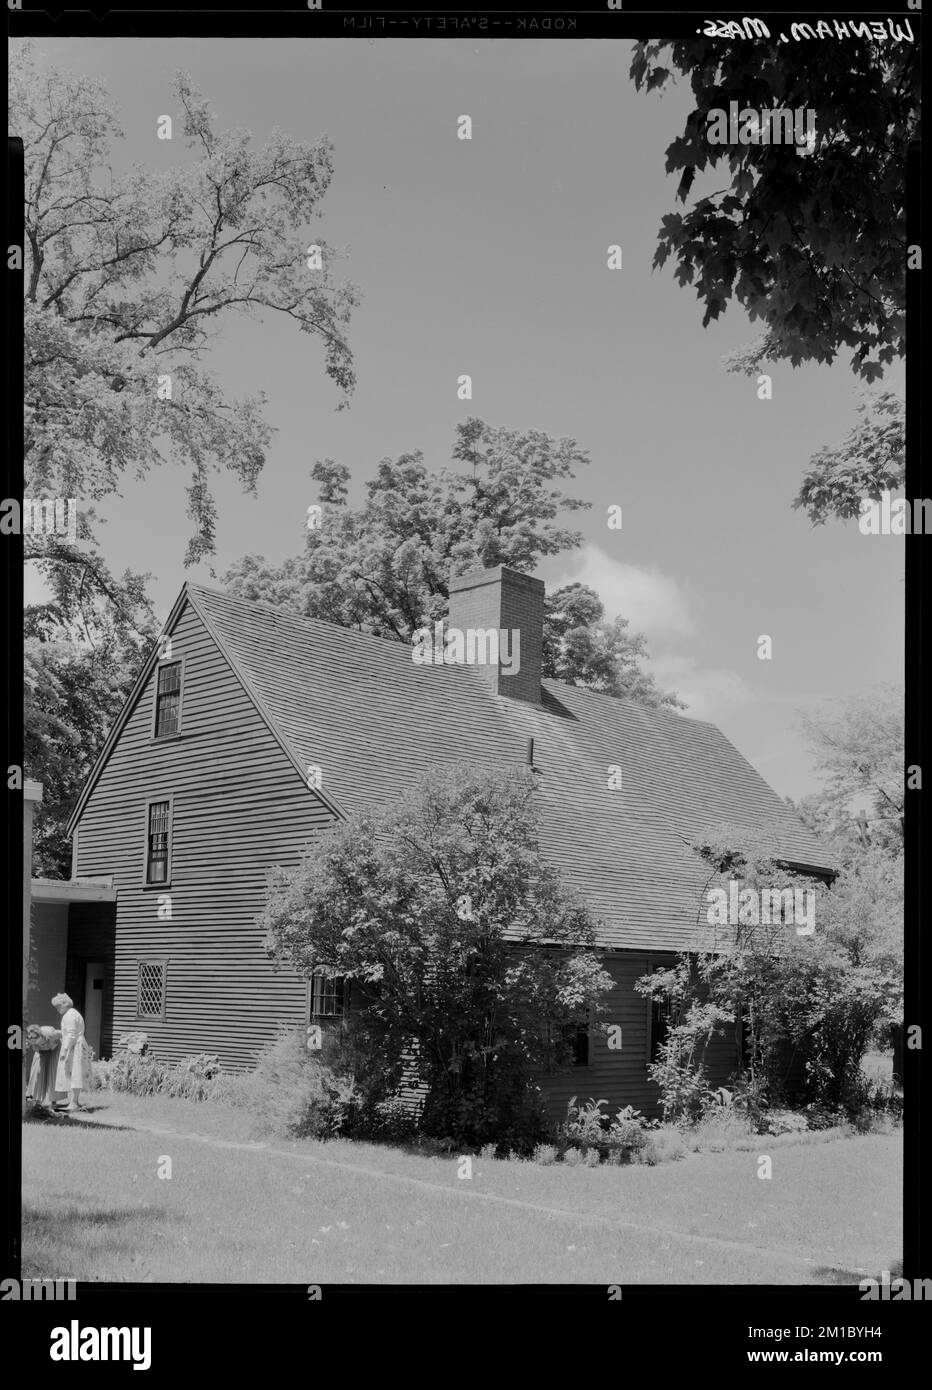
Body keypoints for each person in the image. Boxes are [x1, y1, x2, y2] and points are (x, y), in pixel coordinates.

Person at [51, 993, 89, 1111]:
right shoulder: (73, 1013)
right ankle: (75, 1101)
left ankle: (74, 1102)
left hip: (74, 1046)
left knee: (74, 1074)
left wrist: (65, 1050)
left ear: (65, 1004)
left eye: (58, 1006)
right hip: (77, 1044)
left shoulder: (69, 1015)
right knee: (75, 1073)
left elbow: (71, 1034)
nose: (57, 1009)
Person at [25, 1023, 62, 1111]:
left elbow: (64, 1033)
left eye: (34, 1040)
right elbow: (26, 1046)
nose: (32, 1043)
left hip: (54, 1049)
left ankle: (53, 1102)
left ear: (39, 1036)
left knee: (52, 1073)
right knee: (37, 1072)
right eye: (31, 1041)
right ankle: (36, 1101)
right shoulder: (29, 1039)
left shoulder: (51, 1034)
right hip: (41, 1052)